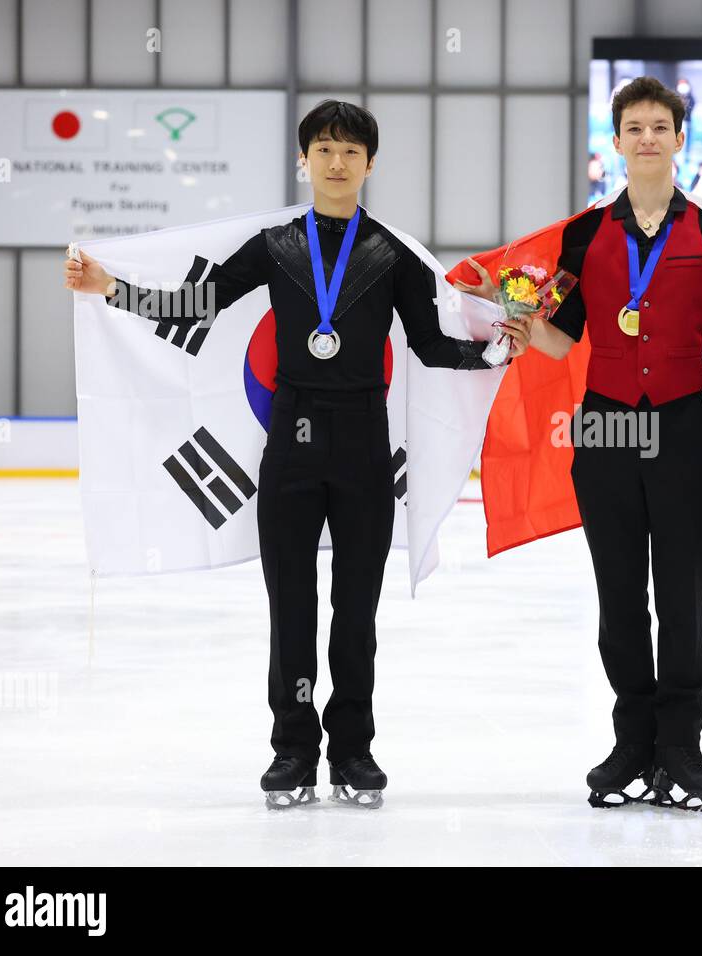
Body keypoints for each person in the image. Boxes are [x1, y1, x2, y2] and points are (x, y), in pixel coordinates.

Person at [64, 100, 529, 810]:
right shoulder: (276, 246)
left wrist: (495, 348)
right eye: (324, 149)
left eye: (350, 151)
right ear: (303, 160)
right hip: (291, 442)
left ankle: (354, 750)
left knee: (355, 611)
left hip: (364, 448)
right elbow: (200, 302)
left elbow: (431, 345)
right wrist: (113, 289)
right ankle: (291, 751)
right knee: (292, 608)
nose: (336, 162)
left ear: (370, 164)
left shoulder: (391, 253)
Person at [454, 77, 702, 812]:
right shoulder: (584, 236)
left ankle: (682, 747)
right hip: (603, 427)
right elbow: (562, 337)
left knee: (683, 595)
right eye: (634, 127)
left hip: (682, 426)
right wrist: (520, 324)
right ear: (618, 139)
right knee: (619, 594)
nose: (648, 138)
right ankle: (632, 740)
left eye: (660, 126)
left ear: (678, 138)